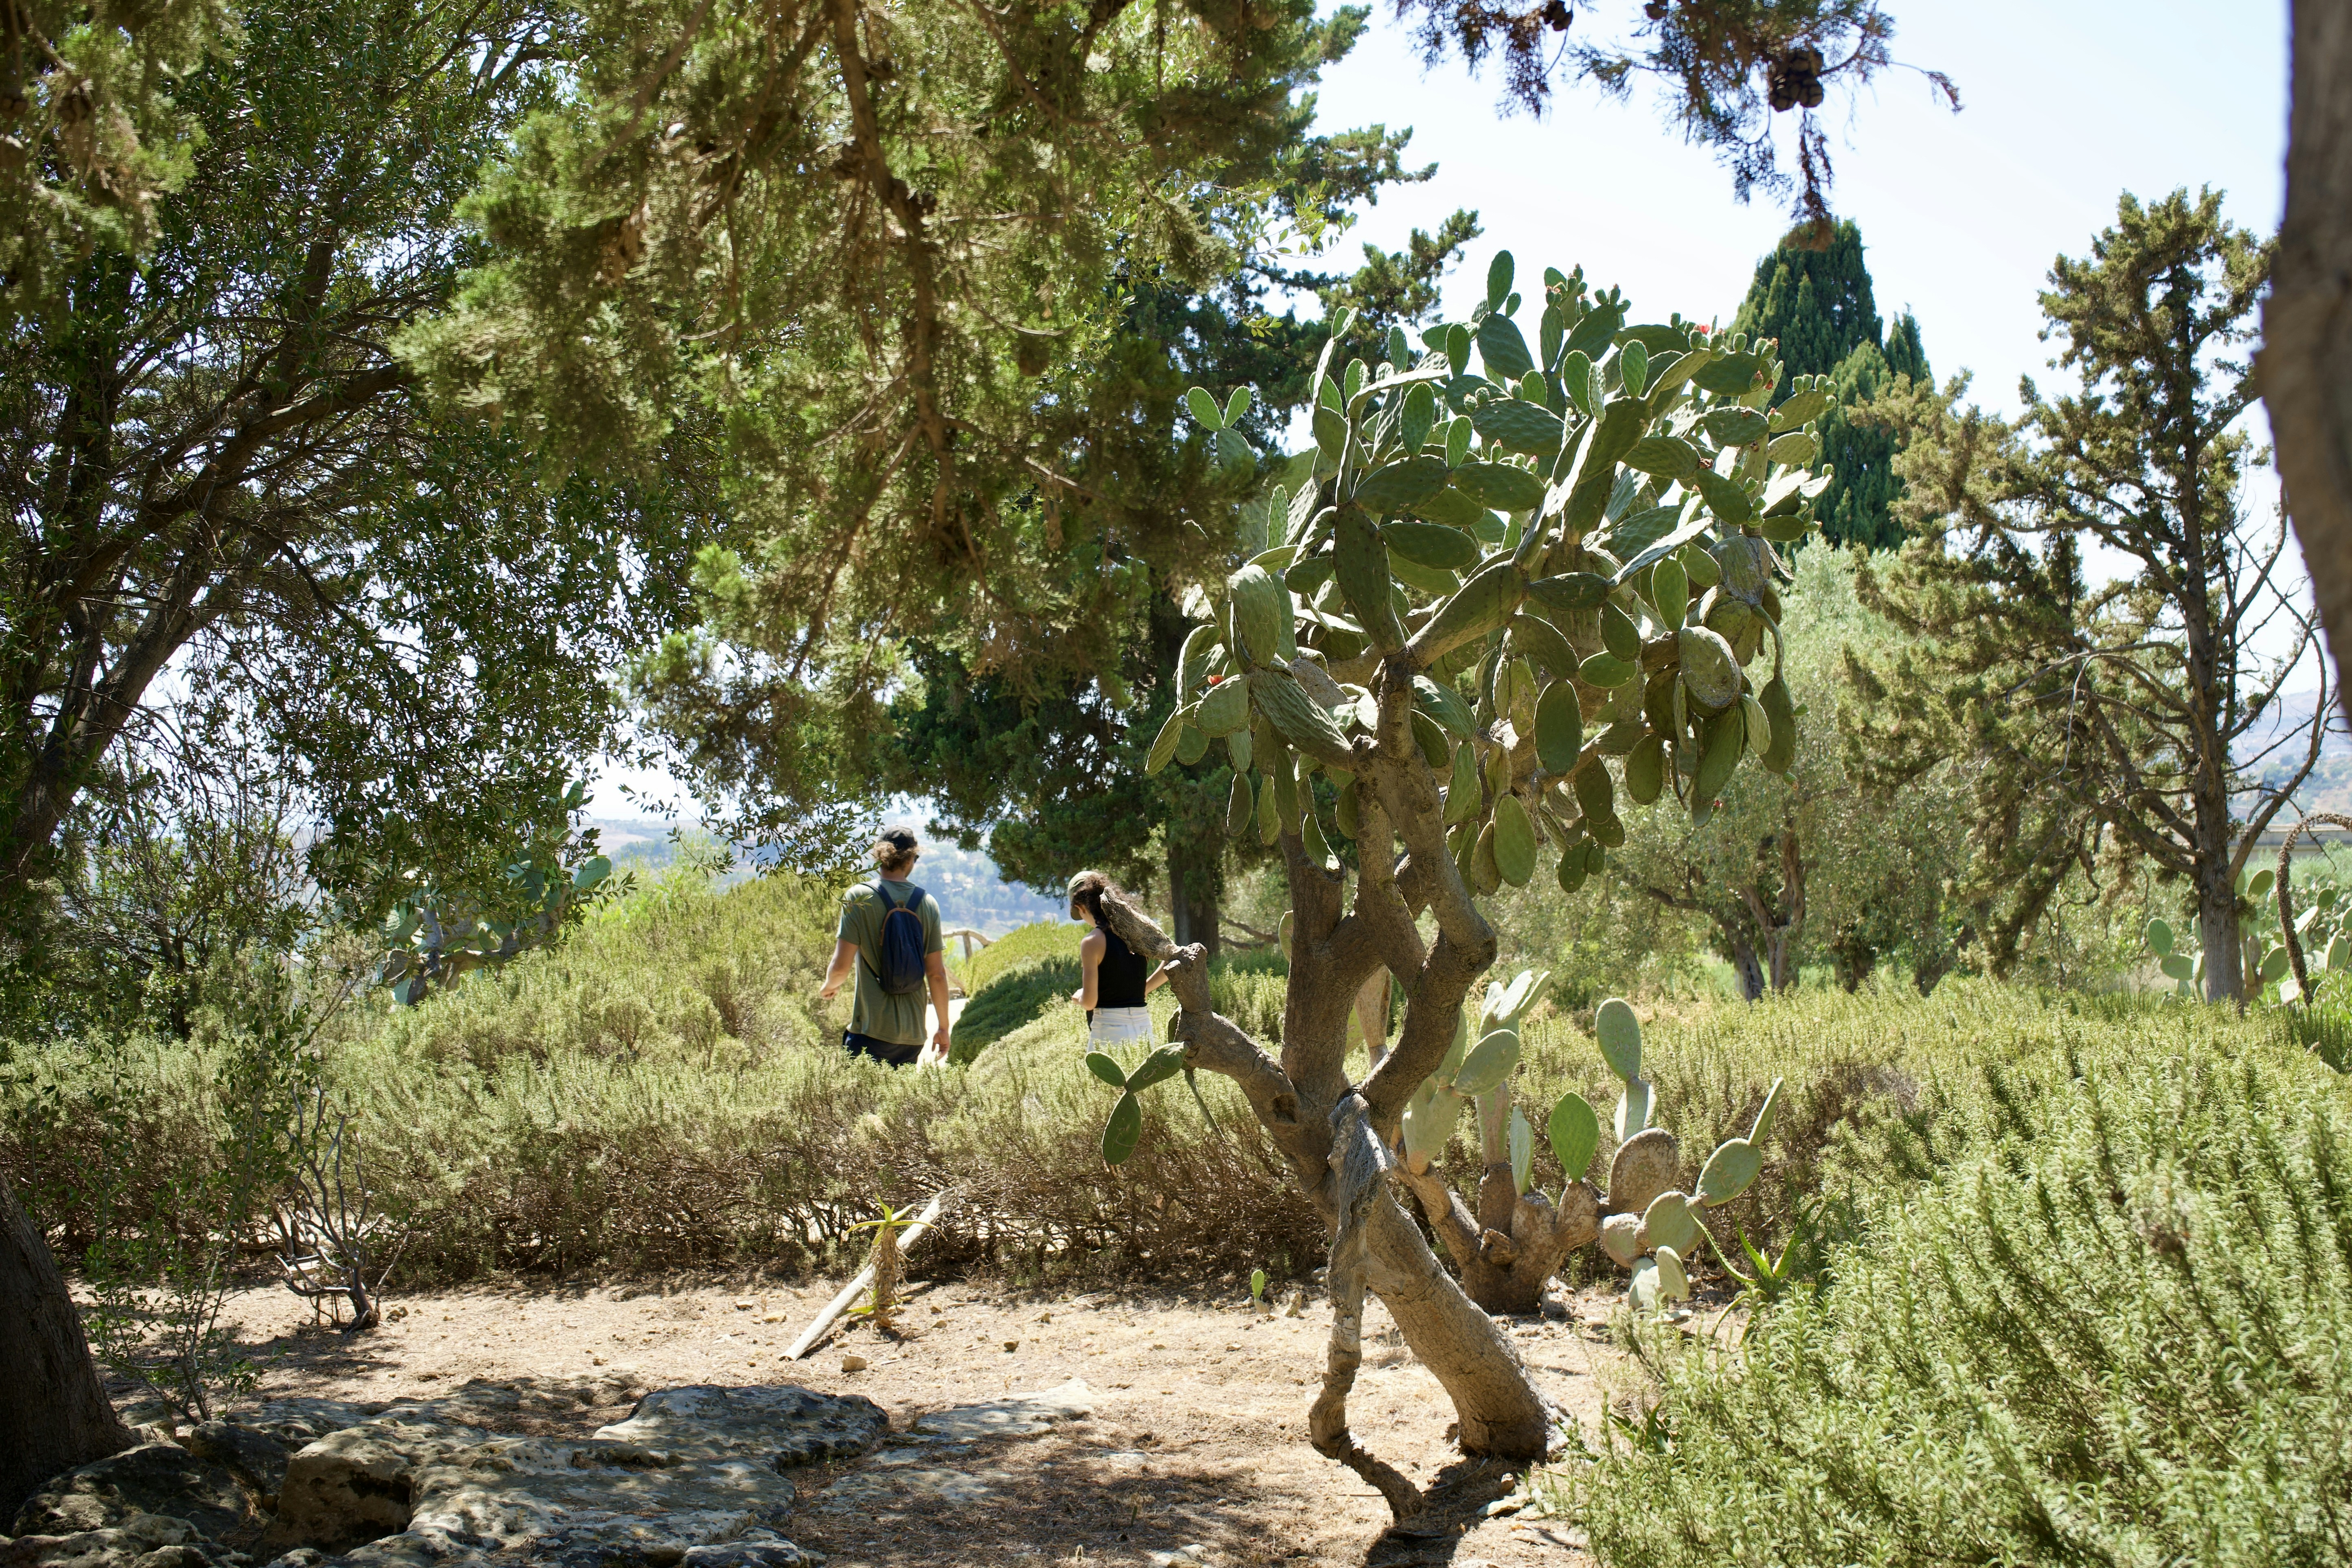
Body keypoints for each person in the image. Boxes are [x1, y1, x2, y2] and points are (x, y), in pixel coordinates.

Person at [820, 825, 953, 1066]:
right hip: (912, 1036)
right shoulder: (928, 903)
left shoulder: (859, 897)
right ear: (911, 859)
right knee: (899, 1093)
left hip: (870, 1030)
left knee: (856, 1093)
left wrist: (830, 987)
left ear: (879, 856)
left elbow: (840, 968)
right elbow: (937, 974)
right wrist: (943, 1028)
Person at [1066, 870, 1166, 1046]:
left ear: (1081, 908)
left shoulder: (1092, 942)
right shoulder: (1138, 932)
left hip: (1109, 1029)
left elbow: (1090, 1003)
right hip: (1143, 1027)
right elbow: (1173, 958)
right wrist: (1143, 990)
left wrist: (1079, 997)